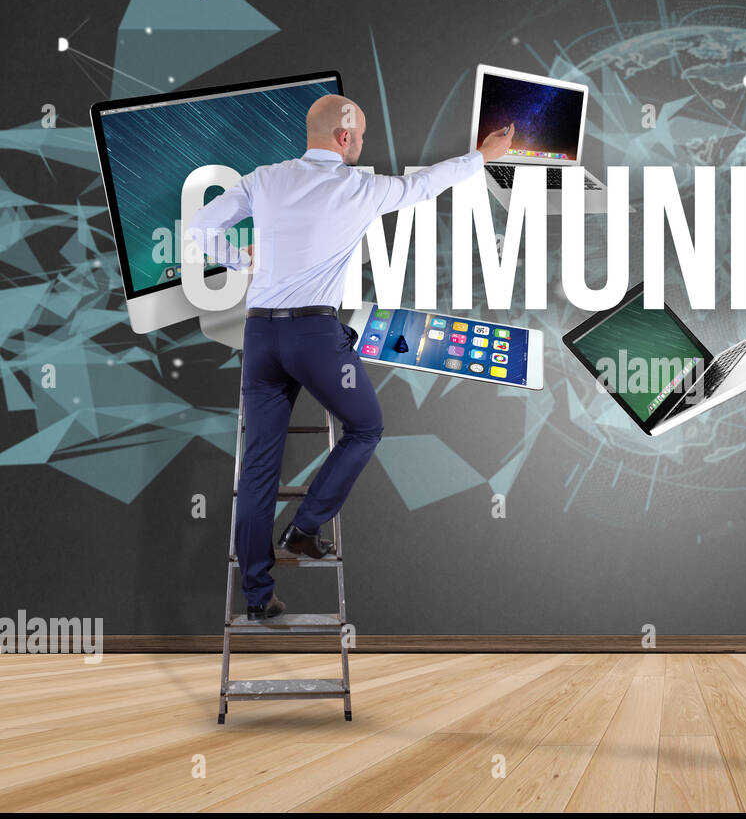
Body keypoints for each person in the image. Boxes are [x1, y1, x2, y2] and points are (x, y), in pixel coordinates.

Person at [189, 94, 514, 619]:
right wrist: (483, 155)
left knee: (258, 468)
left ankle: (256, 598)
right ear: (344, 137)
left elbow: (199, 228)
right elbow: (426, 185)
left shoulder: (263, 179)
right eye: (359, 135)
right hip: (314, 336)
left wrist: (240, 260)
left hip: (260, 336)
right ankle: (304, 528)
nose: (362, 143)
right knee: (366, 427)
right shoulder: (359, 187)